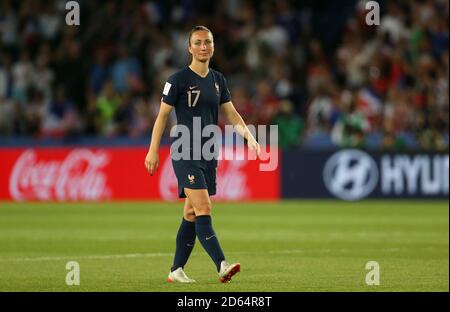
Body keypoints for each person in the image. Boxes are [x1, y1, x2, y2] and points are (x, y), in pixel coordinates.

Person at [144, 26, 260, 283]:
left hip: (208, 152)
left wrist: (250, 137)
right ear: (189, 48)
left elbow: (231, 114)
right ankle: (222, 265)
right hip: (185, 150)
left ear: (213, 46)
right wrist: (153, 150)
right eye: (198, 42)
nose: (203, 46)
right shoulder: (177, 80)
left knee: (191, 213)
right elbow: (162, 116)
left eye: (207, 42)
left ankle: (176, 270)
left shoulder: (218, 80)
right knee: (204, 206)